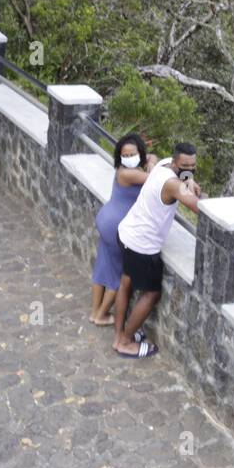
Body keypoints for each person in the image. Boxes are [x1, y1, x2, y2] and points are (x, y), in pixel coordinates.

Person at [112, 142, 203, 359]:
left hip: (127, 233)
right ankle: (124, 342)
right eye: (184, 165)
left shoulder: (163, 165)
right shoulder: (172, 184)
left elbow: (183, 179)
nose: (188, 170)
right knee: (151, 293)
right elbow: (197, 206)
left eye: (192, 166)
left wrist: (190, 180)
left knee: (126, 283)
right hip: (142, 246)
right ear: (174, 162)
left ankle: (119, 335)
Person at [89, 133, 158, 326]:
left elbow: (152, 157)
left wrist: (150, 160)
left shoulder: (123, 170)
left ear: (139, 153)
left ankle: (94, 312)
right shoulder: (128, 173)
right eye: (125, 155)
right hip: (116, 227)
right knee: (117, 273)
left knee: (103, 265)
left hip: (107, 219)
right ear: (120, 157)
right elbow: (155, 180)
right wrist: (151, 165)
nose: (128, 158)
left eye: (132, 154)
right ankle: (101, 315)